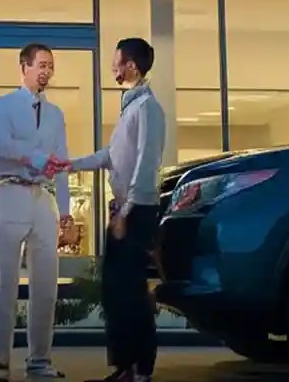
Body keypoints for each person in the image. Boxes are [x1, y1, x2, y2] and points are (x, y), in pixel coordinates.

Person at [66, 38, 166, 382]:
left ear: (132, 67)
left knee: (133, 293)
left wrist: (125, 212)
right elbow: (111, 155)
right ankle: (124, 367)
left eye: (117, 62)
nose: (113, 67)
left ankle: (141, 370)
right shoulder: (129, 107)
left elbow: (146, 164)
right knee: (115, 291)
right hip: (123, 210)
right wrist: (70, 164)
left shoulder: (148, 108)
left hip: (135, 213)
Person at [0, 43, 77, 381]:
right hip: (10, 194)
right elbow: (1, 145)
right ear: (23, 67)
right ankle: (0, 359)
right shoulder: (4, 105)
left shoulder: (55, 114)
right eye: (41, 65)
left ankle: (39, 359)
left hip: (43, 199)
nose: (46, 71)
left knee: (46, 286)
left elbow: (64, 162)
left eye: (50, 66)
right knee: (6, 284)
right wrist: (36, 158)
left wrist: (66, 213)